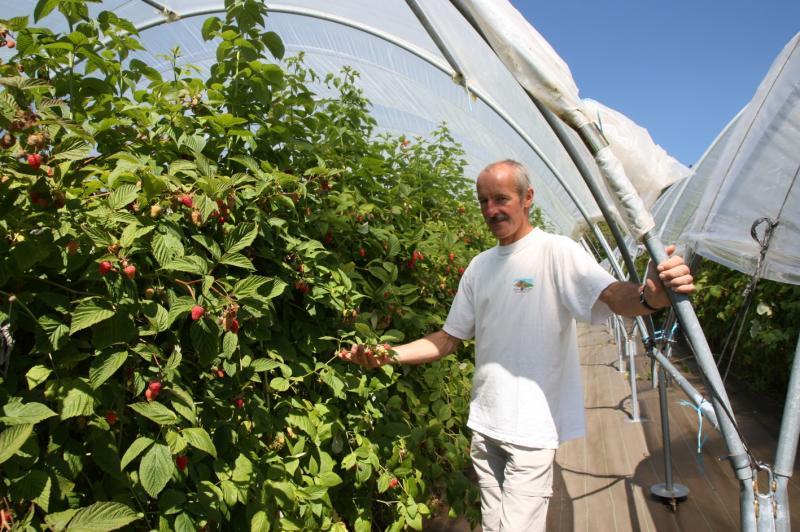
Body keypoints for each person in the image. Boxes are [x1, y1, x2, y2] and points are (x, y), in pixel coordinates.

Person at [339, 159, 694, 531]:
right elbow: (446, 339)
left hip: (530, 430)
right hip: (485, 424)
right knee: (493, 525)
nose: (491, 210)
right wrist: (387, 355)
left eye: (501, 199)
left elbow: (611, 295)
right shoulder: (479, 266)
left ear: (528, 198)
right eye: (483, 201)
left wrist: (649, 296)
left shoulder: (556, 251)